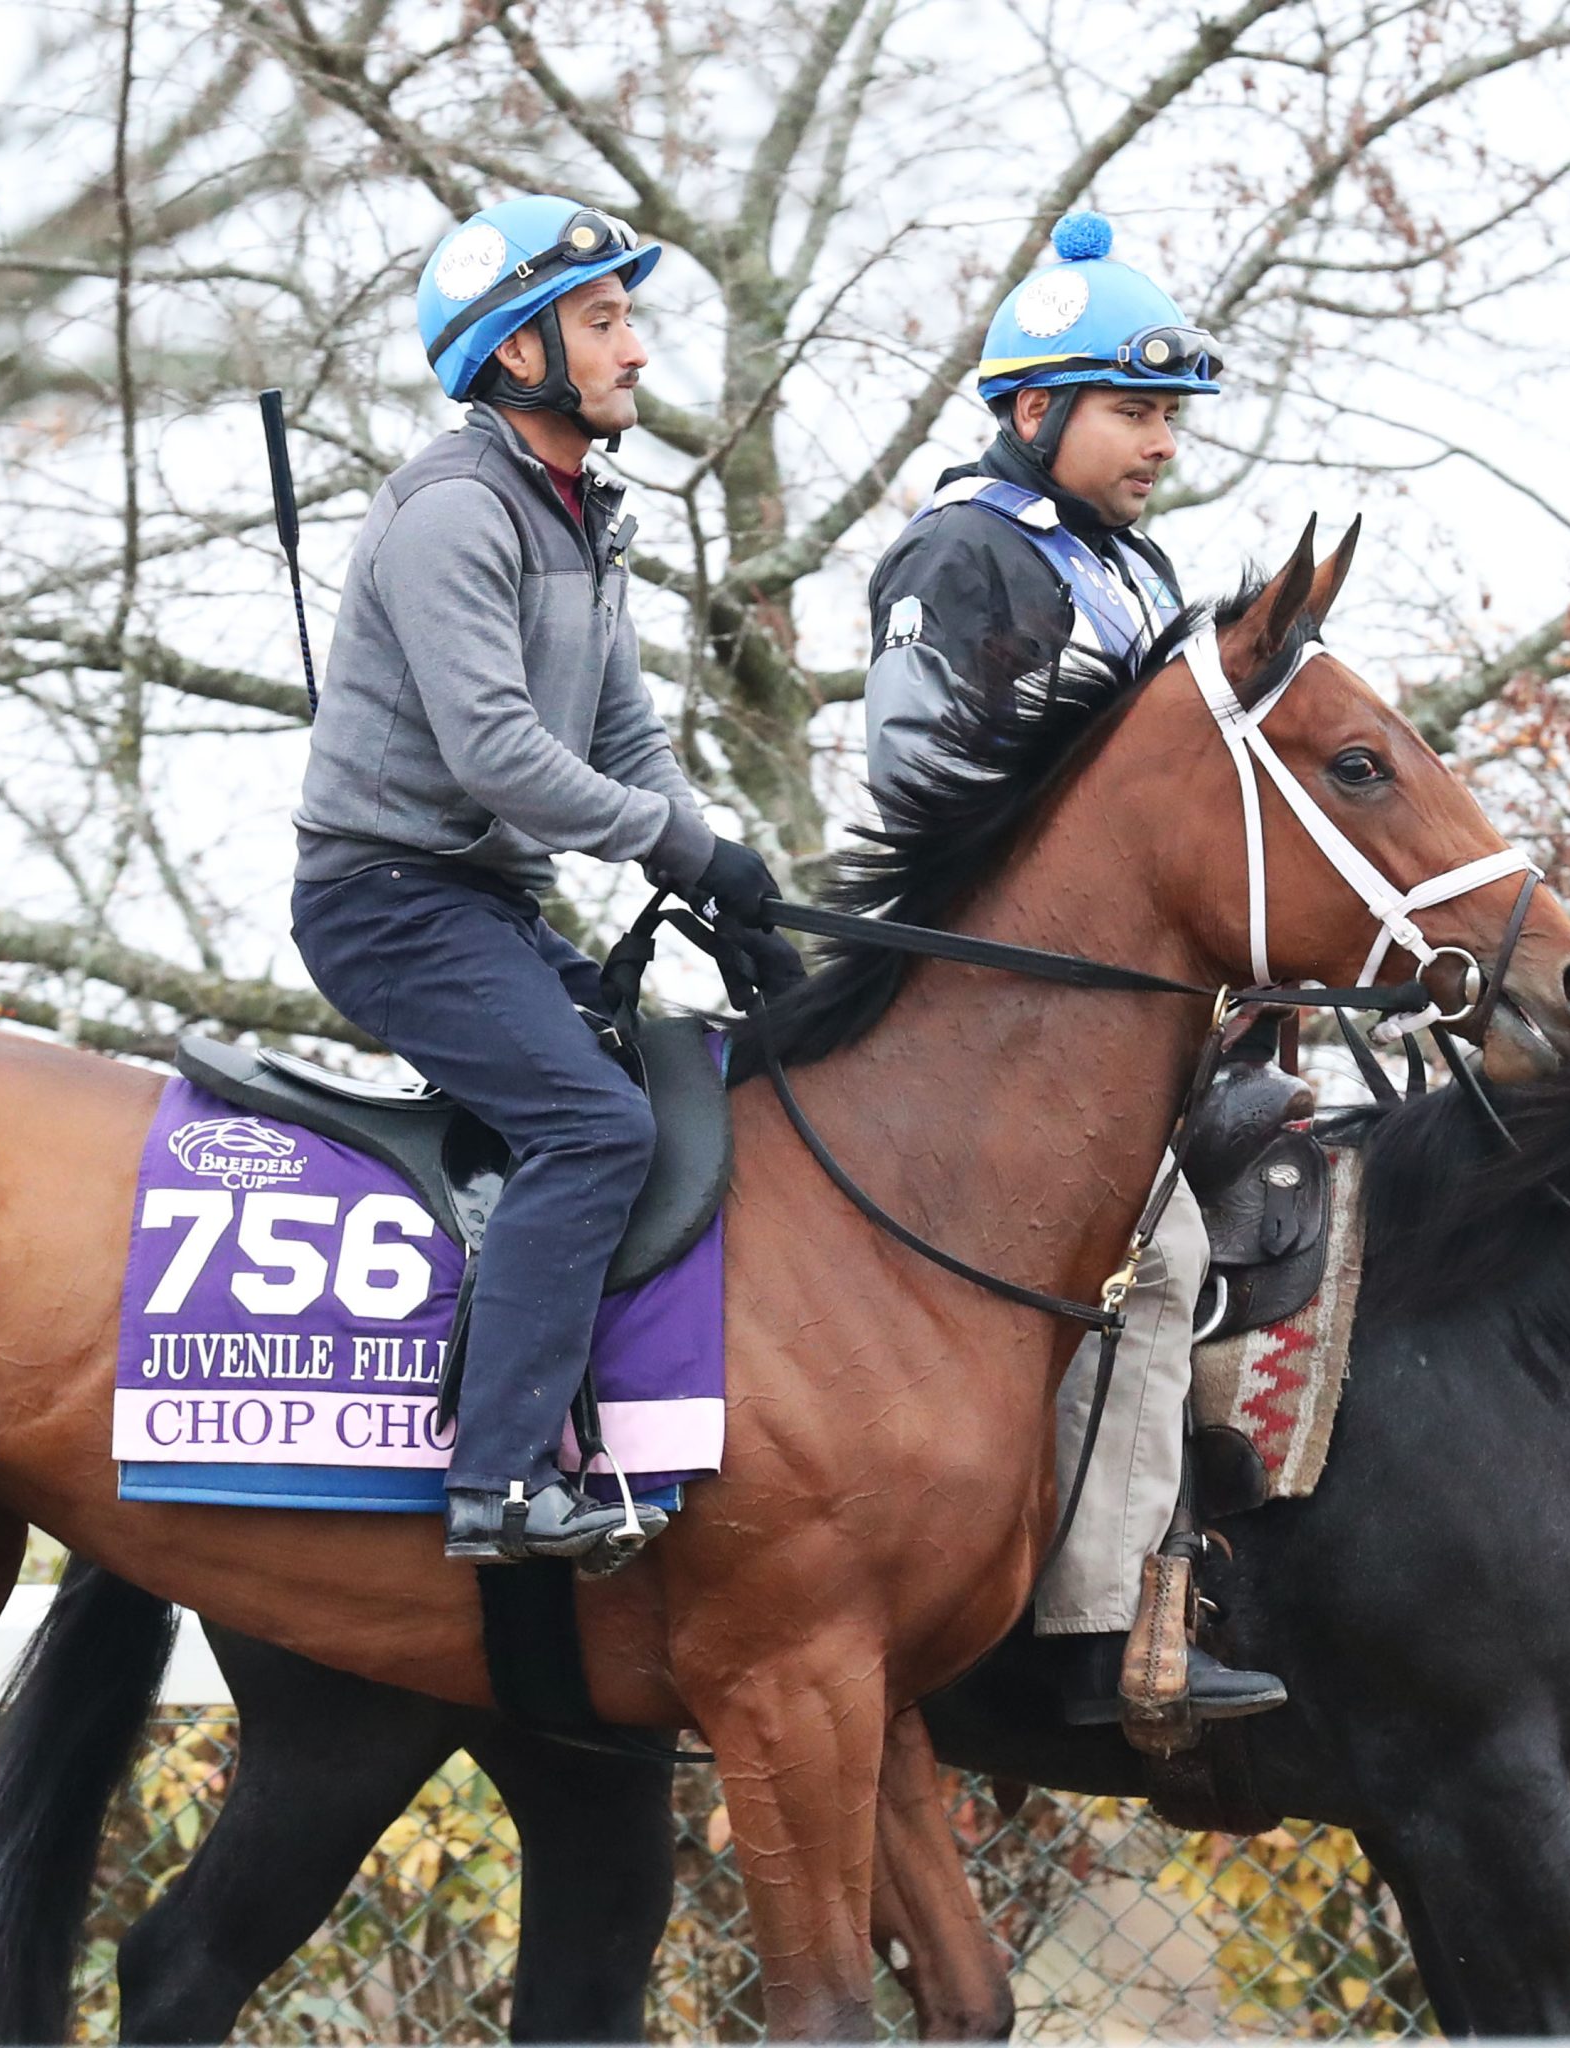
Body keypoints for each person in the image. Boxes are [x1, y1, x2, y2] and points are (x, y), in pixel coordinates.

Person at [291, 193, 802, 1569]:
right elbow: (505, 755)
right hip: (384, 905)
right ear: (519, 357)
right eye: (603, 321)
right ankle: (498, 1482)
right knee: (594, 1128)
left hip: (482, 905)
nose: (635, 349)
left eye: (628, 317)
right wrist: (686, 847)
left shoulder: (580, 514)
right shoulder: (455, 513)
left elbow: (626, 739)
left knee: (672, 1084)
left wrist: (727, 901)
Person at [863, 212, 1288, 1726]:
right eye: (1133, 412)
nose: (1160, 445)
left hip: (1107, 1024)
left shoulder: (1130, 564)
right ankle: (1081, 1636)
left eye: (1171, 418)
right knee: (1153, 1258)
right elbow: (924, 788)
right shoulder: (962, 554)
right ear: (1034, 410)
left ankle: (1205, 1527)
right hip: (985, 1018)